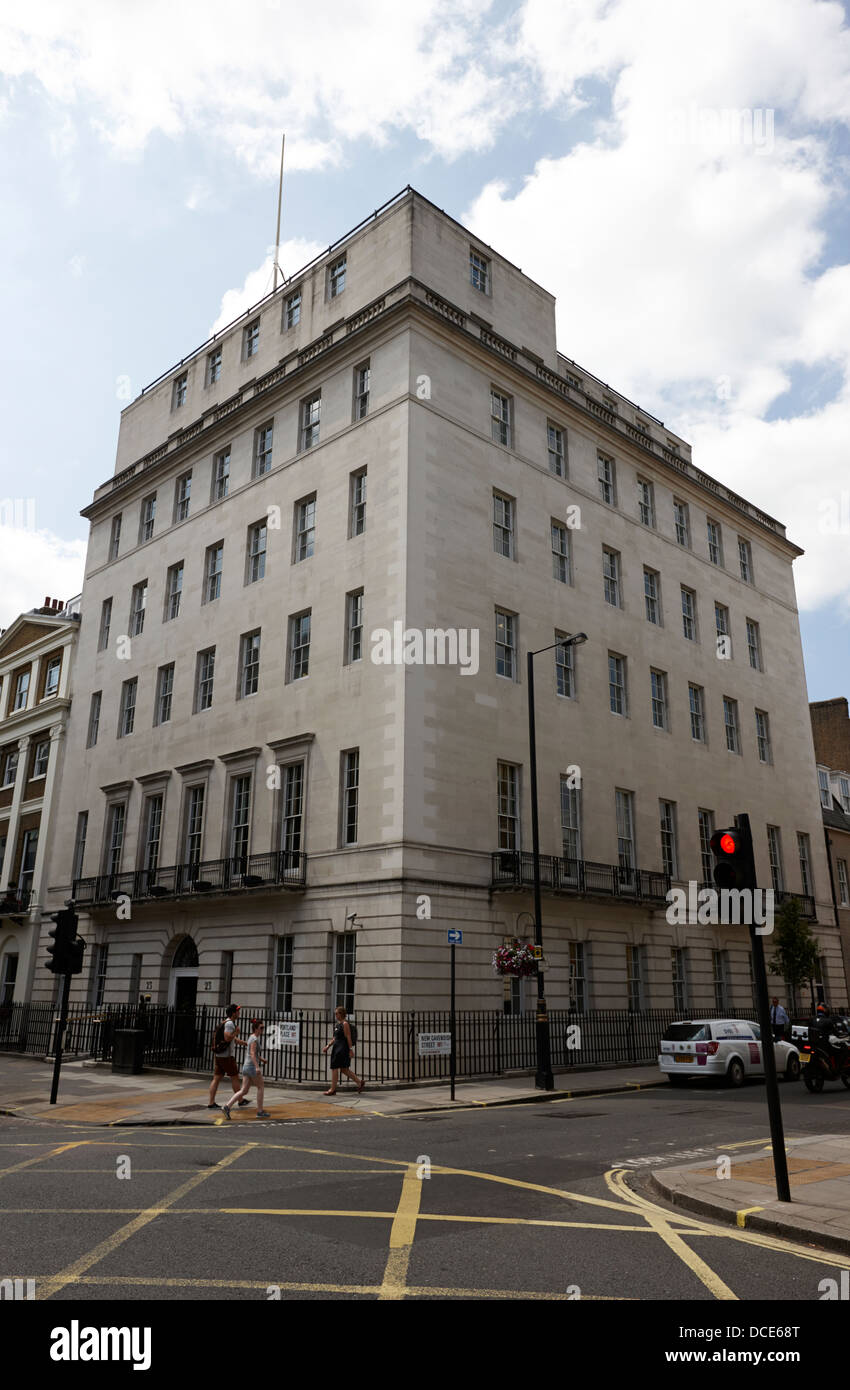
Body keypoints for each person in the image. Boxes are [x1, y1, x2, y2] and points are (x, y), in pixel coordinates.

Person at [223, 1018, 270, 1119]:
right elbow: (252, 1053)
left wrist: (262, 1060)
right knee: (260, 1087)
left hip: (246, 1066)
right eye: (261, 1028)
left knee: (244, 1090)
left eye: (263, 1027)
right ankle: (260, 1111)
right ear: (256, 1029)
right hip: (252, 1067)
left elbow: (252, 1053)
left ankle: (227, 1106)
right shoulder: (254, 1039)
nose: (263, 1030)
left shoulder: (251, 1037)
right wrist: (257, 1067)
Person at [208, 1004, 249, 1110]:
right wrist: (236, 1032)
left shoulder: (225, 1022)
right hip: (227, 1057)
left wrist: (245, 1043)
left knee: (216, 1078)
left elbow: (232, 1039)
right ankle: (240, 1100)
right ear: (233, 1013)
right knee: (235, 1077)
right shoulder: (230, 1023)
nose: (239, 1013)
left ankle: (211, 1103)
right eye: (237, 1011)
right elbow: (227, 1038)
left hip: (219, 1056)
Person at [322, 1005, 364, 1095]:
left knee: (334, 1067)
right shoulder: (338, 1025)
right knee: (344, 1069)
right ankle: (360, 1082)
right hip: (336, 1048)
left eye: (336, 1013)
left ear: (341, 1014)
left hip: (342, 1049)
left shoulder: (345, 1024)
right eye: (335, 1013)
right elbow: (334, 1038)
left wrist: (350, 1049)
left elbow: (348, 1037)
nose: (335, 1015)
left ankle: (332, 1089)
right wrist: (328, 1046)